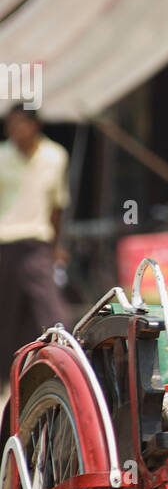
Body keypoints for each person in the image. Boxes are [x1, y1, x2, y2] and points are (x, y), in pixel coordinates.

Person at [0, 104, 71, 382]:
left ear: (35, 125)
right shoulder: (3, 156)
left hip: (37, 243)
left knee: (51, 311)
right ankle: (10, 376)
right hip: (5, 244)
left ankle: (62, 365)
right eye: (11, 125)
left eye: (20, 125)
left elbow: (57, 206)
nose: (15, 131)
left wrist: (56, 246)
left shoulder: (54, 157)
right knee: (8, 314)